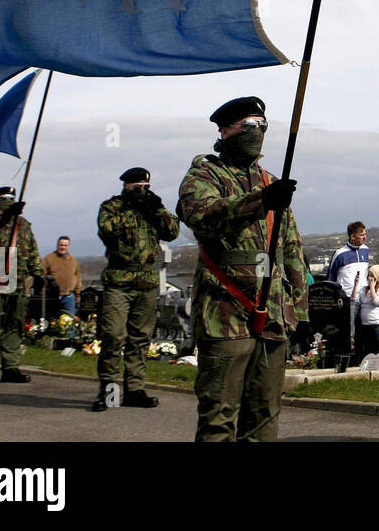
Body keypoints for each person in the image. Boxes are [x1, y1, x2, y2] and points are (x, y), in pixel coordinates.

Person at [177, 96, 309, 441]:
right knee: (219, 416)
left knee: (264, 415)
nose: (256, 133)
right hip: (226, 313)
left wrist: (301, 312)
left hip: (274, 316)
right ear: (225, 130)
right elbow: (201, 215)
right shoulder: (205, 175)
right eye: (248, 126)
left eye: (262, 126)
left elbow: (291, 249)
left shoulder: (270, 181)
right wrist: (259, 202)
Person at [92, 167, 180, 412]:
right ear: (127, 186)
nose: (142, 190)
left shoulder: (150, 208)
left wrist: (157, 209)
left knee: (140, 339)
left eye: (146, 186)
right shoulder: (112, 207)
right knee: (113, 335)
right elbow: (107, 231)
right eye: (137, 186)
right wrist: (132, 207)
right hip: (119, 281)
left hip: (147, 281)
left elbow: (172, 232)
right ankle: (108, 389)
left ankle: (135, 388)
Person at [0, 186, 43, 386]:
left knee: (14, 326)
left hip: (18, 283)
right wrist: (7, 213)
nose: (8, 201)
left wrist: (38, 273)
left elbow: (31, 249)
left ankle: (10, 367)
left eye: (11, 199)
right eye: (5, 198)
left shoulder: (22, 224)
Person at [327, 221, 370, 354]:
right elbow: (331, 278)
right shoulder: (340, 254)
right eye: (362, 235)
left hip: (364, 299)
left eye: (365, 234)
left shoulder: (365, 250)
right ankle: (346, 357)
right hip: (348, 300)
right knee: (348, 332)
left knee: (363, 332)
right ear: (352, 236)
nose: (365, 237)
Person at [353, 264, 379, 364]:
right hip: (364, 325)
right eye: (368, 275)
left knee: (376, 348)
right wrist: (355, 285)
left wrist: (373, 288)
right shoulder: (364, 290)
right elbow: (355, 299)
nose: (369, 278)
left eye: (371, 276)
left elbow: (377, 302)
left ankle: (376, 366)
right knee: (365, 348)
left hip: (375, 324)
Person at [41, 235, 82, 317]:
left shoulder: (73, 259)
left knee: (69, 323)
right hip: (52, 297)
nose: (63, 247)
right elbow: (41, 276)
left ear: (68, 246)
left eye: (65, 245)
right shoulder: (48, 258)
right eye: (61, 245)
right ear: (57, 245)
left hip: (69, 297)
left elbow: (78, 276)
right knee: (51, 322)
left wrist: (78, 293)